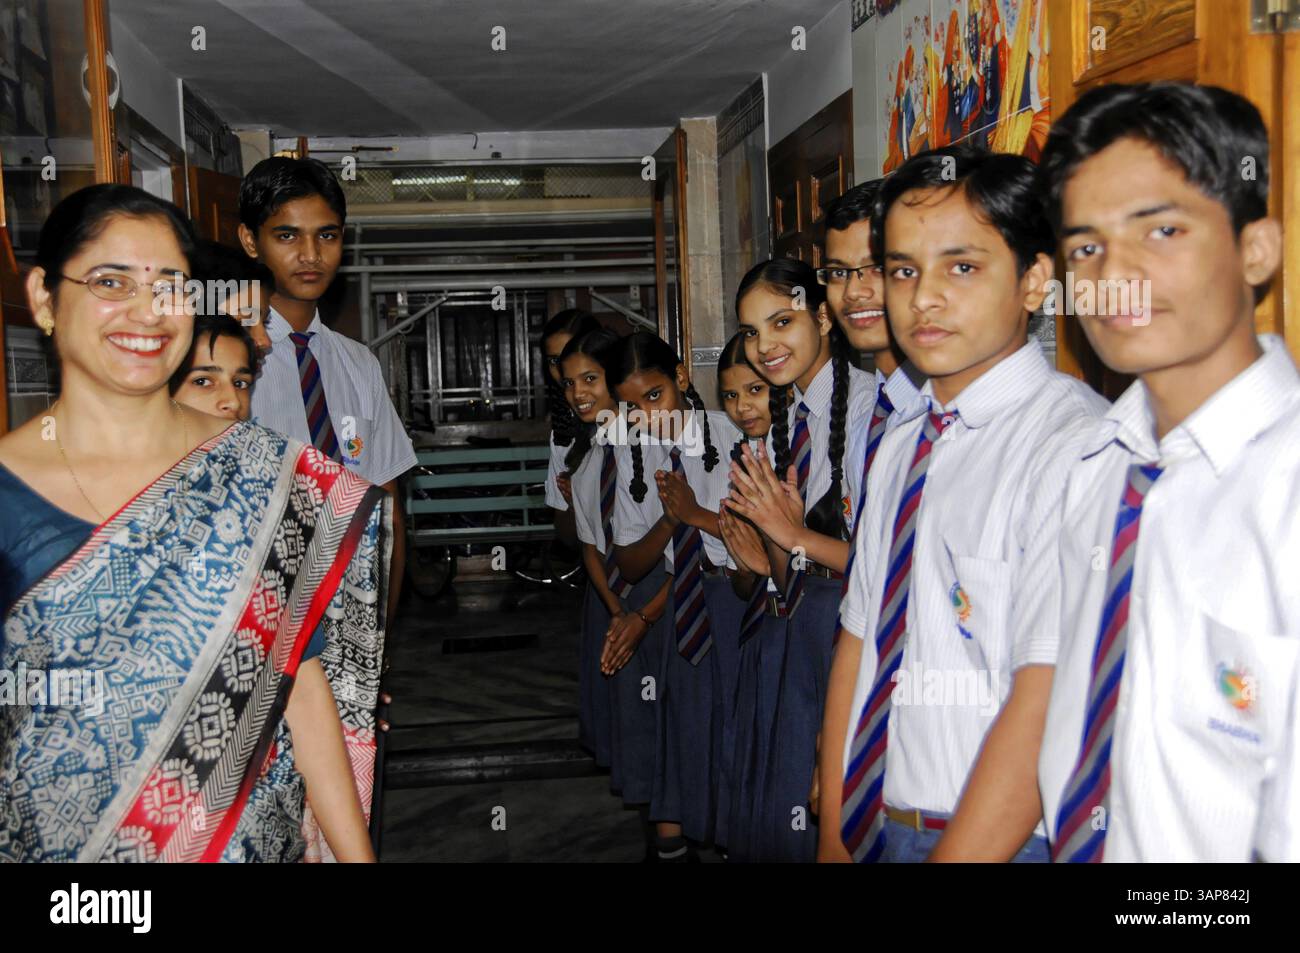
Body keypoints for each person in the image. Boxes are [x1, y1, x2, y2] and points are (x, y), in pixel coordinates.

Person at [0, 184, 383, 862]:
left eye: (172, 287)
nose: (147, 311)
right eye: (110, 280)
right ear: (43, 298)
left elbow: (302, 688)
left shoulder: (257, 472)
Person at [820, 144, 1106, 863]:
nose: (923, 298)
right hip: (878, 817)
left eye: (963, 266)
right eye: (904, 270)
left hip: (1006, 839)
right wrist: (832, 832)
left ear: (1036, 280)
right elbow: (859, 640)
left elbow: (1045, 704)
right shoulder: (903, 439)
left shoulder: (1073, 449)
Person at [1032, 82, 1295, 862]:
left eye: (1163, 230)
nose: (1115, 273)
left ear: (1257, 249)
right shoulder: (1097, 469)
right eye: (1086, 247)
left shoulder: (1286, 492)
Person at [725, 257, 876, 862]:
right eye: (752, 332)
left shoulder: (872, 413)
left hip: (856, 646)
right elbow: (797, 568)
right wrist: (770, 557)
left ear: (823, 316)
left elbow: (886, 569)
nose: (764, 347)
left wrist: (788, 535)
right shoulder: (789, 416)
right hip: (803, 636)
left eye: (782, 322)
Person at [237, 157, 414, 629]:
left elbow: (387, 511)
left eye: (328, 235)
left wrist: (378, 638)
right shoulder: (224, 364)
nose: (311, 255)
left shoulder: (359, 364)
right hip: (257, 616)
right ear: (251, 241)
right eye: (287, 235)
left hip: (352, 611)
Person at [605, 331, 737, 861]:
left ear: (681, 378)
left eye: (654, 396)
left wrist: (693, 513)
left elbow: (751, 539)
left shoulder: (732, 434)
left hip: (733, 603)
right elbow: (632, 563)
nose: (646, 416)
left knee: (731, 735)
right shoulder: (633, 454)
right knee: (683, 735)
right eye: (630, 407)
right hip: (680, 612)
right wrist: (669, 517)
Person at [713, 332, 784, 861]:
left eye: (754, 390)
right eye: (731, 396)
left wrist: (768, 566)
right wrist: (751, 570)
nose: (742, 407)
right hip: (761, 626)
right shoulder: (742, 458)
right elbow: (744, 578)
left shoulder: (799, 452)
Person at [540, 308, 601, 550]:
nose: (565, 369)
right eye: (555, 361)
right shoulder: (563, 434)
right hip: (597, 568)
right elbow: (566, 537)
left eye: (570, 355)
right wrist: (576, 502)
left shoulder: (641, 423)